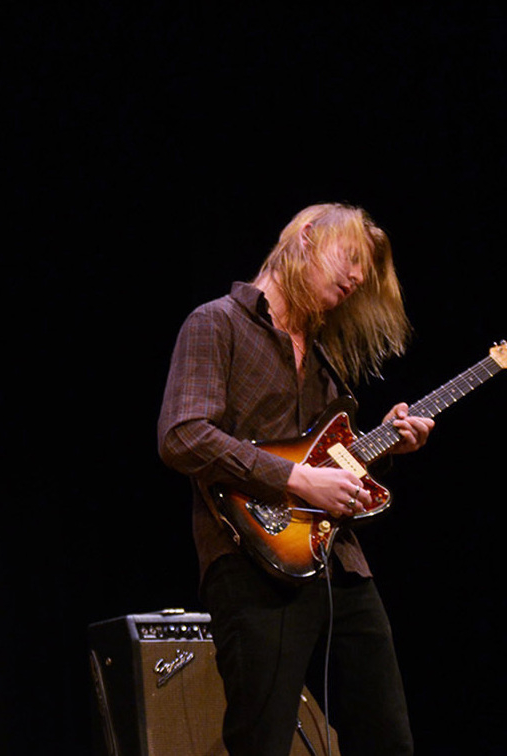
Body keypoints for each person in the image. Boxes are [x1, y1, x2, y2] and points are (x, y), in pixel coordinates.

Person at [157, 203, 435, 755]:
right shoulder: (216, 322)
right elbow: (182, 435)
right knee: (262, 742)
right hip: (252, 565)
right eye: (351, 258)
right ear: (307, 237)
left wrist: (383, 441)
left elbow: (328, 463)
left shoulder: (326, 354)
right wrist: (296, 481)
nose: (357, 278)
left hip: (340, 565)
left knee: (389, 741)